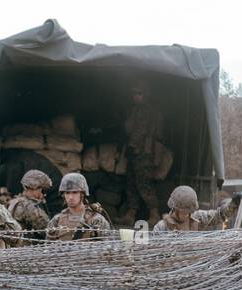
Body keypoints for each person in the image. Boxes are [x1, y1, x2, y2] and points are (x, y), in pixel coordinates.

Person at [121, 77, 164, 226]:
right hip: (135, 151)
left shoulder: (147, 110)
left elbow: (141, 131)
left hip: (144, 152)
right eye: (134, 93)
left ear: (146, 94)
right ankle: (130, 214)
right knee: (132, 182)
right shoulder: (135, 109)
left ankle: (154, 213)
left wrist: (132, 144)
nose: (136, 96)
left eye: (139, 93)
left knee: (144, 183)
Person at [47, 173, 112, 240]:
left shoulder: (96, 220)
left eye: (75, 192)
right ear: (63, 195)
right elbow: (49, 244)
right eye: (67, 193)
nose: (71, 197)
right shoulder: (57, 220)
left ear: (82, 194)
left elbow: (107, 244)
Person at [8, 169, 53, 241]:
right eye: (42, 190)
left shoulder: (15, 202)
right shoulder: (30, 207)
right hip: (30, 246)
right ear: (37, 189)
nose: (43, 194)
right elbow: (48, 231)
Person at [152, 185, 218, 233]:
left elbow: (216, 215)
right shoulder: (162, 227)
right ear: (175, 210)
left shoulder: (197, 217)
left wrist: (224, 210)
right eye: (184, 213)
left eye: (189, 213)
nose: (187, 215)